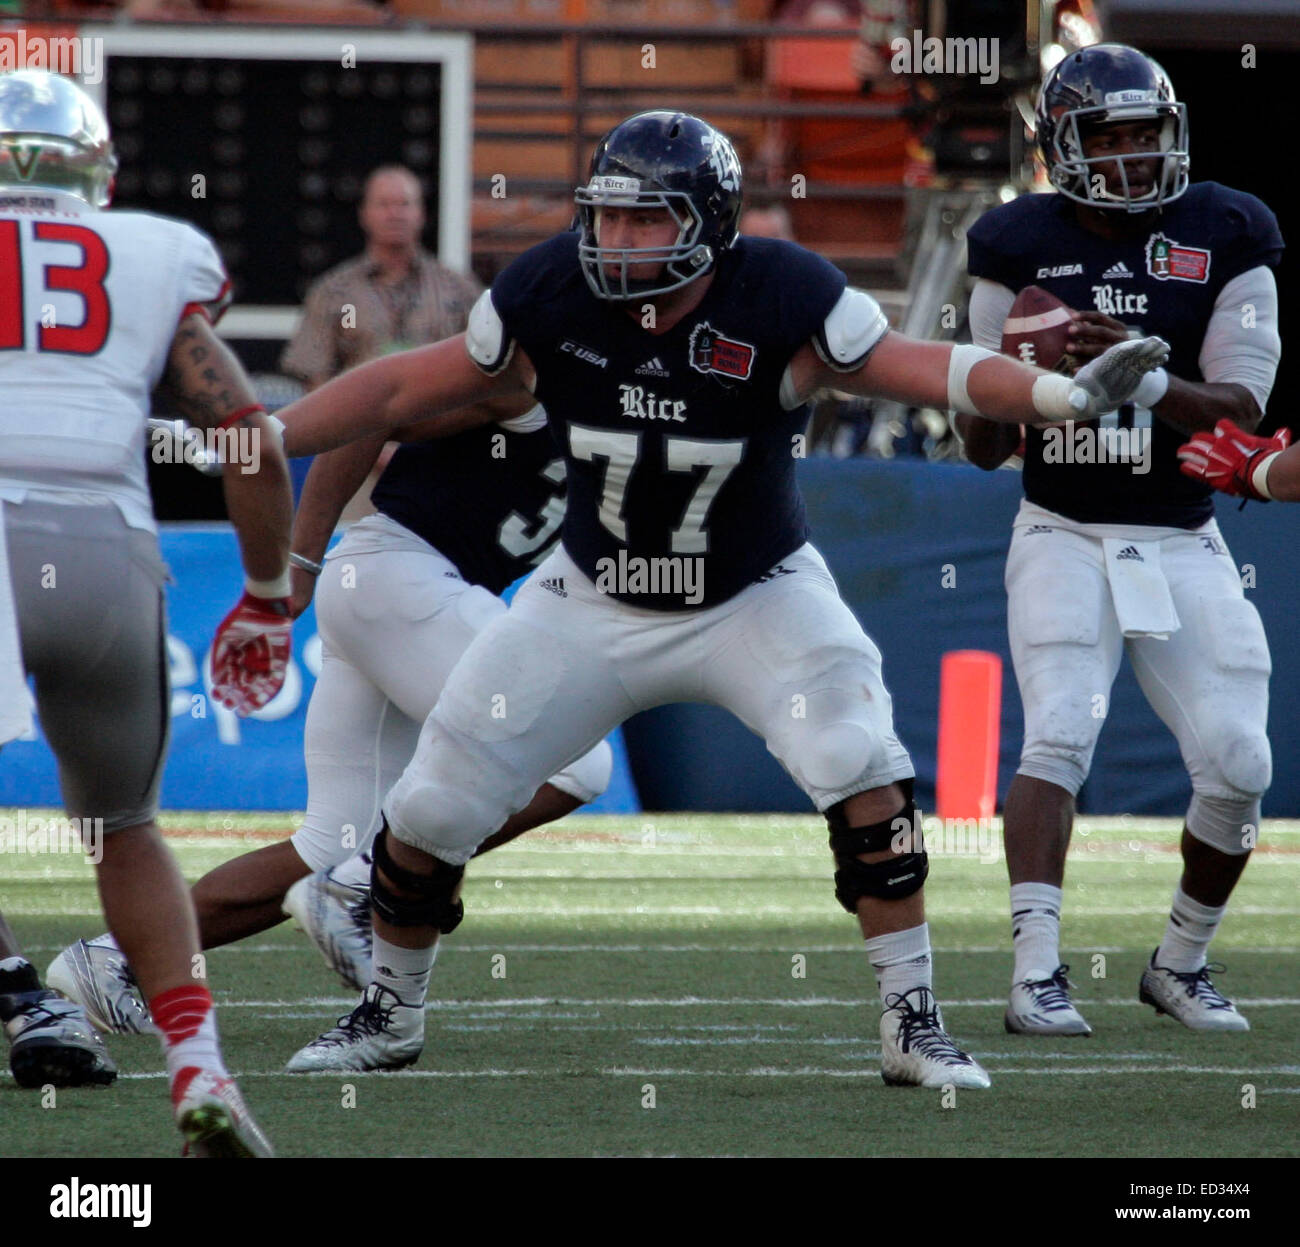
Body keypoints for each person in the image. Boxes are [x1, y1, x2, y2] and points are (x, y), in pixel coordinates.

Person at [274, 109, 1166, 1088]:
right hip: (592, 594)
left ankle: (910, 1020)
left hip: (752, 591)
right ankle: (390, 1011)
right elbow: (401, 387)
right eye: (606, 219)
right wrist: (273, 432)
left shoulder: (779, 294)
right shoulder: (547, 287)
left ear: (707, 219)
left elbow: (931, 370)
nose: (614, 242)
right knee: (432, 802)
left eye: (644, 220)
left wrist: (1059, 399)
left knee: (860, 759)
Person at [49, 408, 612, 1033]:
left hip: (396, 592)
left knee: (331, 847)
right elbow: (374, 412)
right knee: (578, 761)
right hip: (401, 582)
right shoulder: (537, 353)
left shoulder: (634, 387)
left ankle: (109, 960)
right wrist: (302, 559)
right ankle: (370, 881)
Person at [956, 44, 1283, 1035]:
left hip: (1177, 534)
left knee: (1240, 760)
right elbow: (978, 445)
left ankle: (1178, 961)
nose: (1135, 155)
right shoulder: (1012, 239)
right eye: (1111, 136)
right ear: (1063, 144)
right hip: (1062, 526)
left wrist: (1139, 377)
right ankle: (1036, 971)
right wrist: (1027, 371)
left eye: (1148, 133)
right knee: (1058, 726)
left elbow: (1243, 408)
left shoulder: (1229, 226)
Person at [0, 70, 293, 1154]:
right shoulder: (150, 250)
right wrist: (268, 596)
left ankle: (23, 996)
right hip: (100, 545)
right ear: (100, 176)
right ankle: (197, 1067)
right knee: (124, 829)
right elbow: (250, 439)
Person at [282, 164, 483, 518]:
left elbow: (486, 371)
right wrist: (359, 442)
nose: (395, 213)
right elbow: (314, 377)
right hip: (353, 462)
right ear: (364, 214)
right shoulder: (333, 292)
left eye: (404, 204)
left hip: (440, 459)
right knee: (351, 560)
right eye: (384, 204)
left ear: (421, 213)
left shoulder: (459, 290)